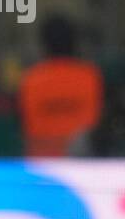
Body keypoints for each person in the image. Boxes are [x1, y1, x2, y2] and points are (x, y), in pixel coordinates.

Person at [17, 15, 103, 157]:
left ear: (44, 44)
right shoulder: (91, 77)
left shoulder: (30, 80)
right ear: (74, 42)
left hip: (41, 166)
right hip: (83, 166)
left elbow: (22, 124)